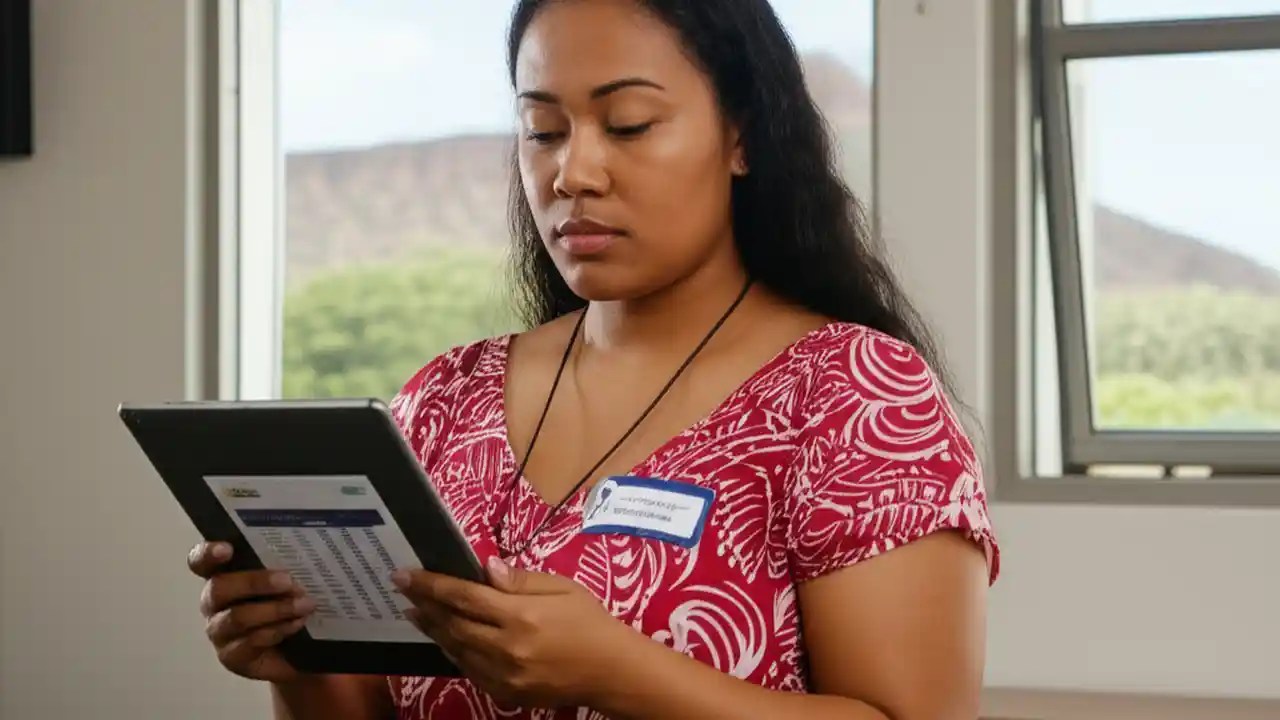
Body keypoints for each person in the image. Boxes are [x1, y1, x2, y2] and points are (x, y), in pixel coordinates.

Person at [186, 0, 1000, 717]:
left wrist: (619, 675)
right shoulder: (443, 402)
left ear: (743, 136)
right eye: (542, 131)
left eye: (629, 125)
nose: (572, 171)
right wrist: (297, 664)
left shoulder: (855, 397)